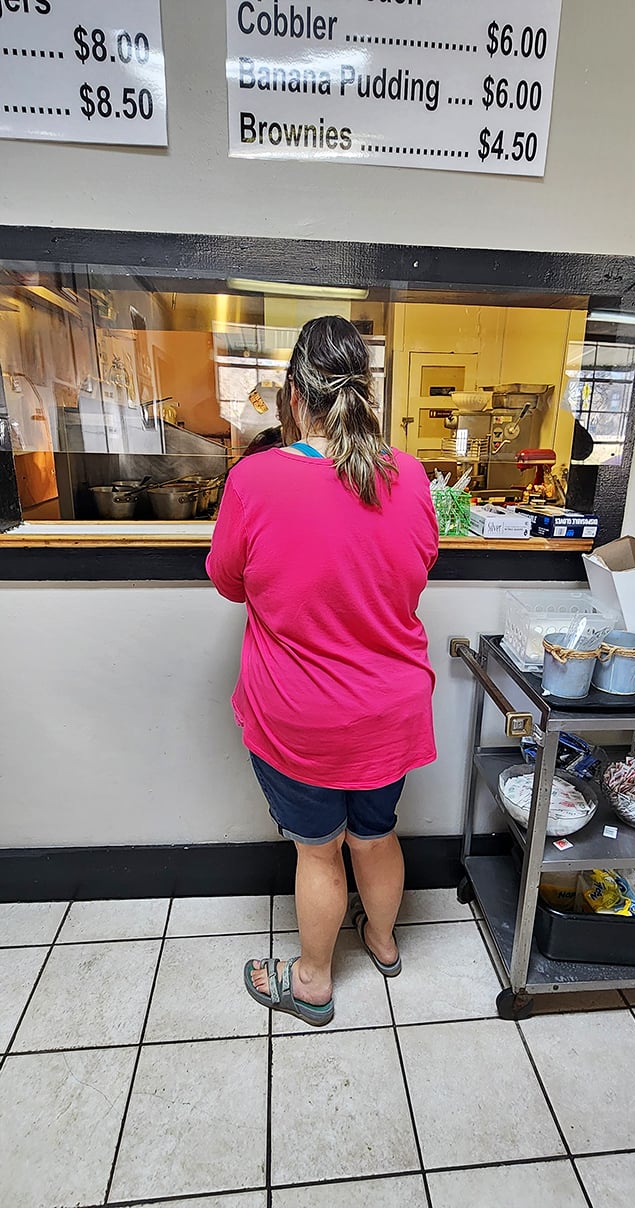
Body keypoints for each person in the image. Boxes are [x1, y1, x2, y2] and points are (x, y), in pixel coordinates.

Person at [206, 315, 439, 1027]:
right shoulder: (412, 476)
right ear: (363, 391)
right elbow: (420, 566)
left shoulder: (255, 480)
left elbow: (228, 581)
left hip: (301, 717)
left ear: (292, 394)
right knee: (376, 833)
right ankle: (382, 940)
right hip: (391, 712)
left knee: (319, 851)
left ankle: (311, 981)